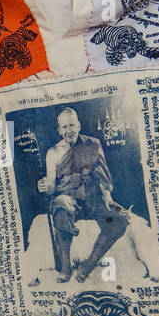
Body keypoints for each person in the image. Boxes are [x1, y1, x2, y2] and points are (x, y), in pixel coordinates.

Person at [38, 108, 127, 283]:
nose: (68, 131)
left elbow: (103, 175)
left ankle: (87, 266)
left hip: (94, 197)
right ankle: (65, 268)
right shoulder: (53, 152)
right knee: (61, 204)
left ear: (78, 125)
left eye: (71, 125)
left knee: (120, 219)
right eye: (64, 127)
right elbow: (51, 188)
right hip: (70, 199)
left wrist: (108, 198)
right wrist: (42, 186)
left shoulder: (93, 144)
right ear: (59, 129)